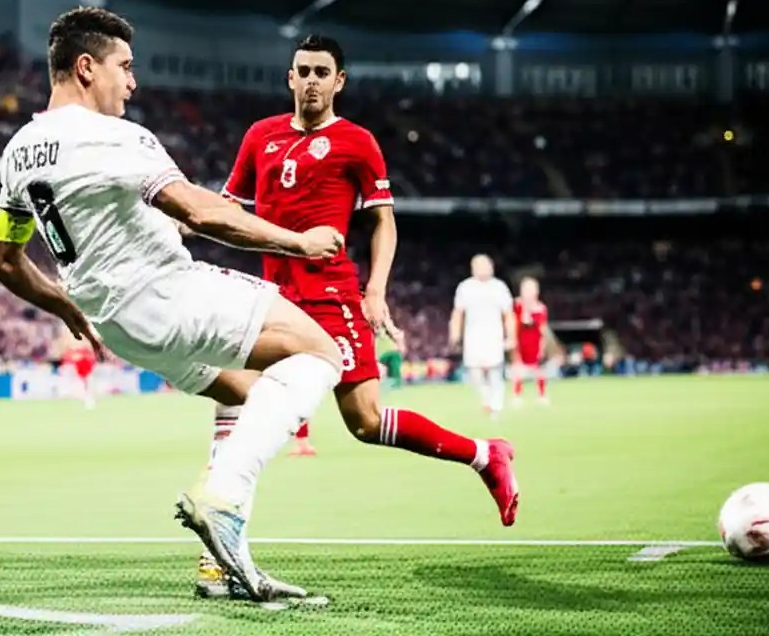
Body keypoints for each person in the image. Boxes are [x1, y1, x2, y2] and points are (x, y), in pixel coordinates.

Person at [0, 7, 347, 602]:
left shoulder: (18, 152)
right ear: (85, 68)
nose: (132, 82)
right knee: (319, 351)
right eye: (124, 67)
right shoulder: (115, 136)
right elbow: (202, 213)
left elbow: (4, 261)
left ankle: (218, 566)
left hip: (117, 323)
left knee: (244, 392)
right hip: (166, 295)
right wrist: (298, 242)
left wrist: (65, 308)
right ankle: (223, 498)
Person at [193, 37, 520, 600]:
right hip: (273, 297)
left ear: (339, 80)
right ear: (289, 79)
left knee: (365, 422)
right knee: (234, 391)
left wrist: (375, 290)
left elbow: (383, 222)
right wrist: (181, 219)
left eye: (323, 72)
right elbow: (229, 207)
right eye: (303, 72)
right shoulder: (259, 137)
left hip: (331, 300)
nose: (312, 81)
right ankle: (215, 556)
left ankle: (484, 455)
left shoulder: (357, 143)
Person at [449, 254, 517, 417]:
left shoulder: (499, 287)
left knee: (495, 371)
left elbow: (508, 314)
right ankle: (486, 399)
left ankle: (496, 405)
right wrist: (455, 333)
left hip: (494, 335)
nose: (483, 269)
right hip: (473, 336)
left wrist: (512, 336)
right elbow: (458, 313)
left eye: (486, 265)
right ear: (473, 268)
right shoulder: (465, 287)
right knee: (475, 372)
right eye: (479, 266)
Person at [511, 276, 551, 405]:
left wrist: (542, 346)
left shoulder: (541, 308)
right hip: (520, 341)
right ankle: (517, 395)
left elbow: (543, 329)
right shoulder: (516, 305)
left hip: (534, 341)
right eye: (525, 289)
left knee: (538, 370)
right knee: (518, 369)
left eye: (531, 289)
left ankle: (542, 395)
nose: (528, 292)